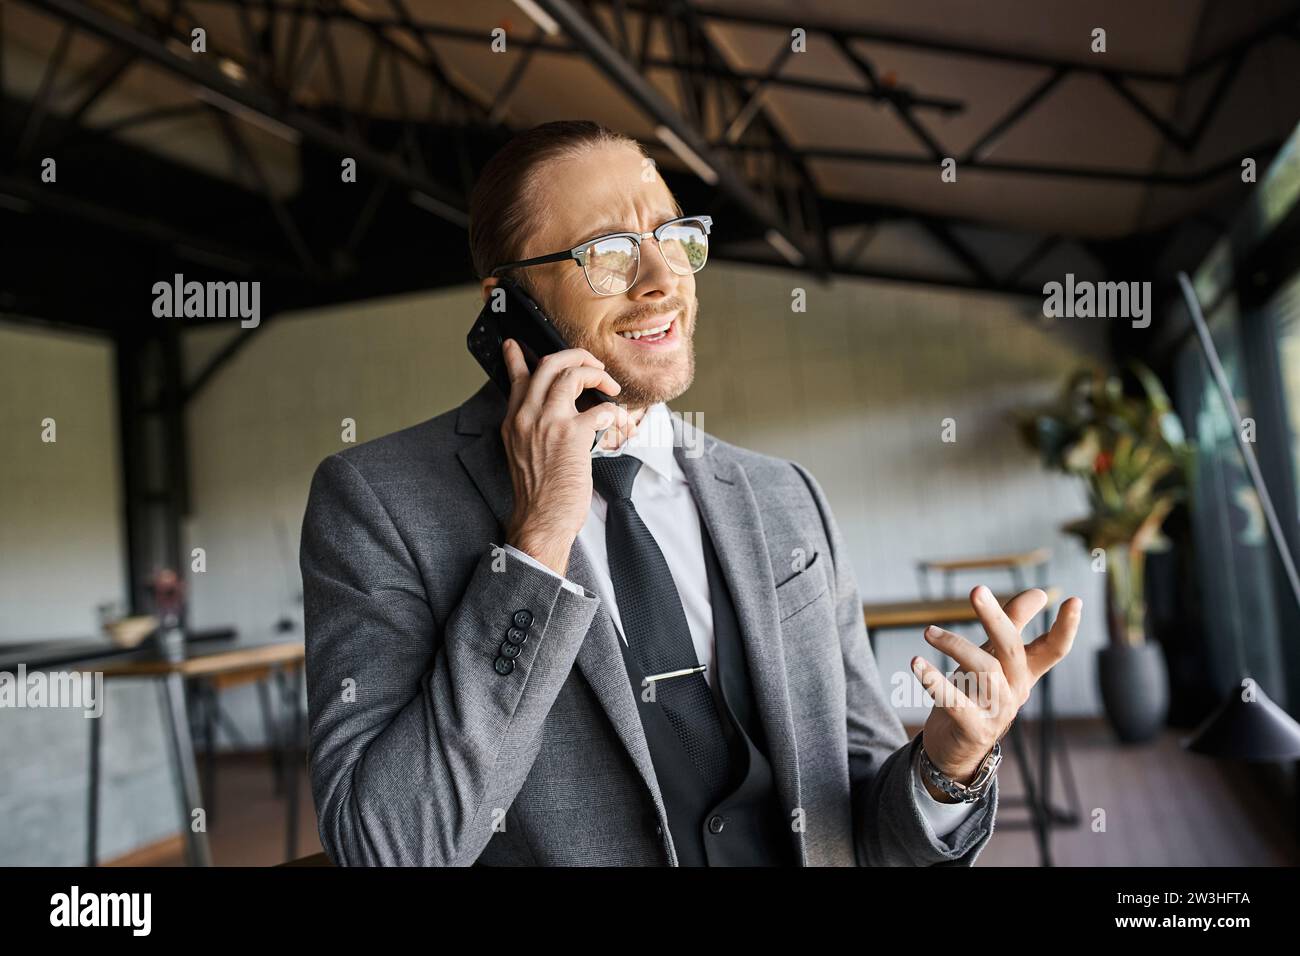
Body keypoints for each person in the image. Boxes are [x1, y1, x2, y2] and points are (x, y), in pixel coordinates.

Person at [300, 120, 1081, 866]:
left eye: (673, 238)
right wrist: (534, 548)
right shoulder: (375, 501)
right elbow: (388, 848)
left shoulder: (787, 498)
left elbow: (864, 836)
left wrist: (949, 765)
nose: (661, 278)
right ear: (505, 300)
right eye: (608, 252)